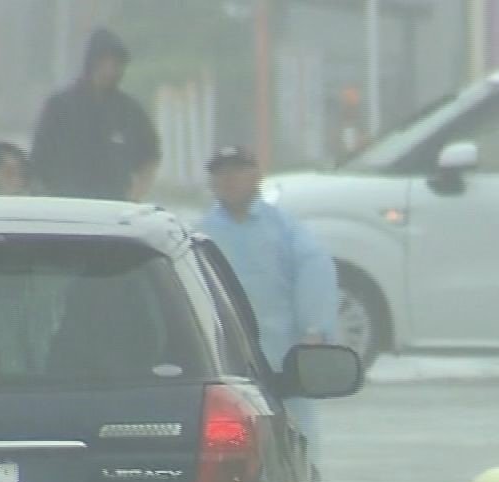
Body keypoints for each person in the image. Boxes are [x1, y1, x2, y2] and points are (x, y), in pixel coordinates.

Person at [195, 146, 340, 448]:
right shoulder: (200, 234)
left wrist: (314, 330)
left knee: (296, 438)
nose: (229, 179)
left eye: (237, 171)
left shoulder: (285, 229)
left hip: (281, 359)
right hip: (223, 360)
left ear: (256, 176)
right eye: (221, 173)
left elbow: (315, 273)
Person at [28, 28, 160, 201]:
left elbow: (150, 154)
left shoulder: (129, 111)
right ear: (92, 62)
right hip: (65, 204)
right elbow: (39, 160)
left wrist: (135, 196)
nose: (113, 71)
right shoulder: (60, 106)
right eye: (108, 63)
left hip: (113, 206)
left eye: (118, 64)